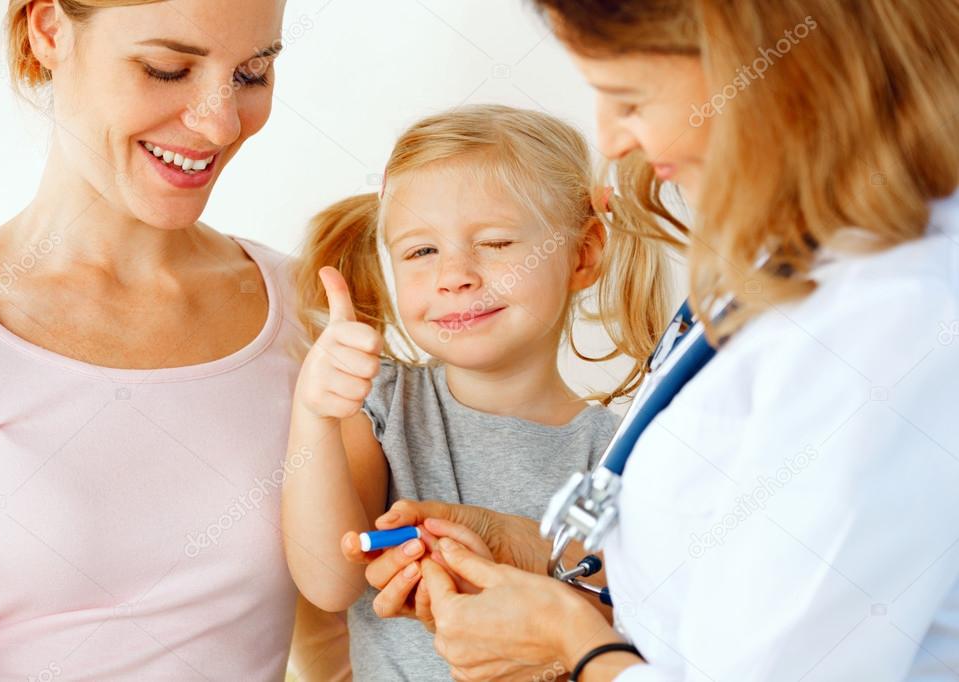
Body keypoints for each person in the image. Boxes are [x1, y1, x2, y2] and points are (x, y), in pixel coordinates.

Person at [391, 1, 959, 680]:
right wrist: (550, 559)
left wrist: (573, 649)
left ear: (773, 74)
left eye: (627, 101)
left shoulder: (894, 316)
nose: (611, 138)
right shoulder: (796, 254)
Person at [0, 1, 309, 677]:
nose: (219, 121)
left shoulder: (310, 312)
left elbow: (340, 636)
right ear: (48, 29)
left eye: (251, 74)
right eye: (167, 69)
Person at [280, 104, 676, 680]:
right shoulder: (380, 406)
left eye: (494, 243)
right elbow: (327, 581)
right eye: (421, 252)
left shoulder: (622, 451)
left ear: (583, 254)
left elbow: (639, 628)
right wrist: (313, 413)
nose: (454, 275)